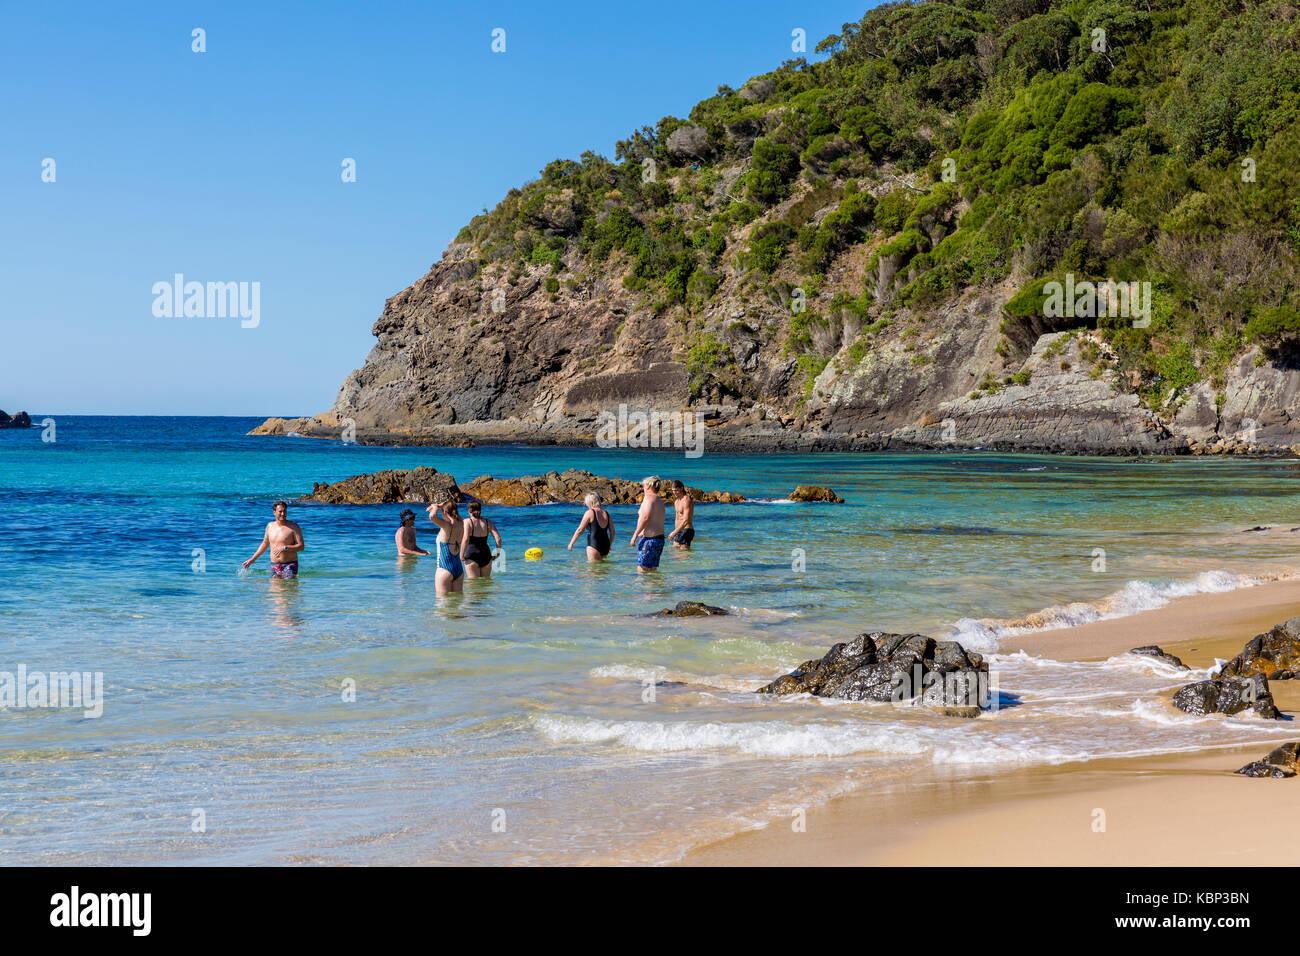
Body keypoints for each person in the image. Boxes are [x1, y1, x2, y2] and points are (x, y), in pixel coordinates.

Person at [243, 501, 306, 578]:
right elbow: (265, 544)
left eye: (285, 511)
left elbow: (301, 546)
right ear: (274, 512)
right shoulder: (270, 526)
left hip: (290, 564)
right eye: (280, 511)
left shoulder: (294, 527)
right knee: (274, 589)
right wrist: (252, 559)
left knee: (289, 588)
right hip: (274, 565)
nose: (283, 514)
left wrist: (285, 547)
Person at [426, 498, 465, 595]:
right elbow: (457, 516)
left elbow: (432, 516)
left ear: (444, 511)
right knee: (457, 605)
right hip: (459, 569)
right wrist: (443, 507)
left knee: (442, 607)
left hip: (444, 568)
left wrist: (436, 506)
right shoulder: (462, 524)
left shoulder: (447, 526)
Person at [629, 475, 666, 573]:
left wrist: (635, 535)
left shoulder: (648, 498)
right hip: (659, 540)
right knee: (652, 571)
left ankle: (642, 589)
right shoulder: (659, 501)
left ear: (648, 486)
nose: (643, 488)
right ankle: (655, 589)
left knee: (642, 570)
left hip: (649, 541)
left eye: (644, 485)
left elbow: (645, 517)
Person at [568, 492, 615, 561]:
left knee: (592, 570)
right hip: (605, 546)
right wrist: (609, 545)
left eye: (587, 503)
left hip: (594, 546)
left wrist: (571, 543)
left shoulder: (590, 513)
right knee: (603, 570)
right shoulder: (607, 514)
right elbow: (612, 532)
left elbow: (580, 530)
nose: (587, 505)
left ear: (591, 502)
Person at [461, 501, 503, 578]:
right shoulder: (488, 522)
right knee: (486, 584)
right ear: (480, 510)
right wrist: (498, 553)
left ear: (469, 511)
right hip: (486, 555)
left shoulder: (467, 522)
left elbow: (466, 539)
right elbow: (498, 539)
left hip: (471, 555)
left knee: (473, 585)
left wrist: (461, 555)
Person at [667, 480, 695, 549]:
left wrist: (674, 532)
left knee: (683, 557)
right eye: (673, 490)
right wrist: (675, 531)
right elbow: (677, 518)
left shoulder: (686, 500)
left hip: (686, 530)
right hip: (678, 531)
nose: (674, 493)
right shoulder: (676, 502)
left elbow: (686, 520)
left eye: (676, 490)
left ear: (682, 488)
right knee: (675, 554)